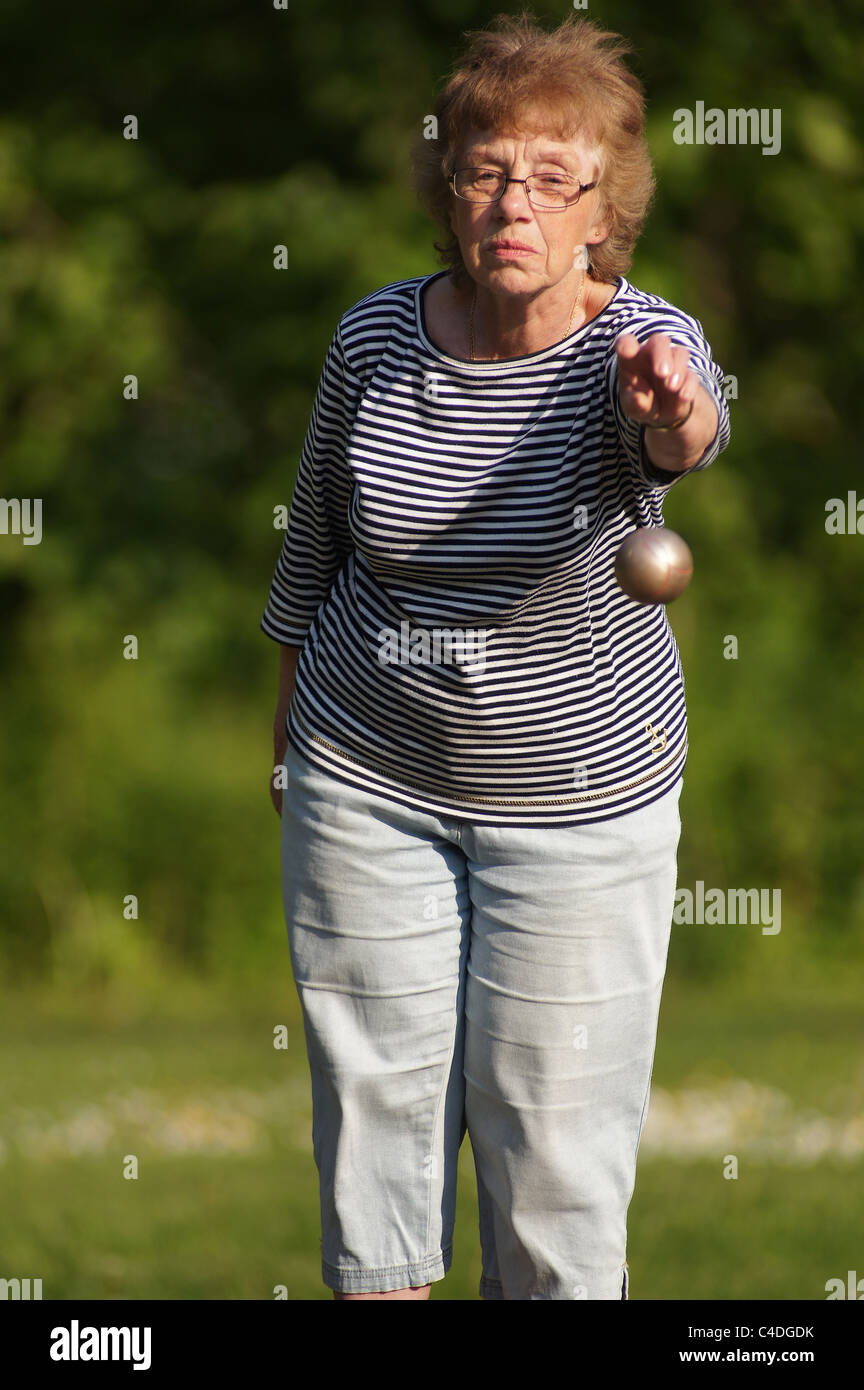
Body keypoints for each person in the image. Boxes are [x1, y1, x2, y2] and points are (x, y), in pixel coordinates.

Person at [262, 11, 731, 1301]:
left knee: (556, 1184)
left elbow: (687, 419)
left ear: (603, 210)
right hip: (367, 780)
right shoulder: (373, 340)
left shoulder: (635, 348)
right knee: (374, 1167)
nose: (513, 202)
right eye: (485, 170)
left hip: (579, 807)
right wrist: (290, 747)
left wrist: (669, 407)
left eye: (550, 177)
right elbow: (314, 554)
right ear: (450, 189)